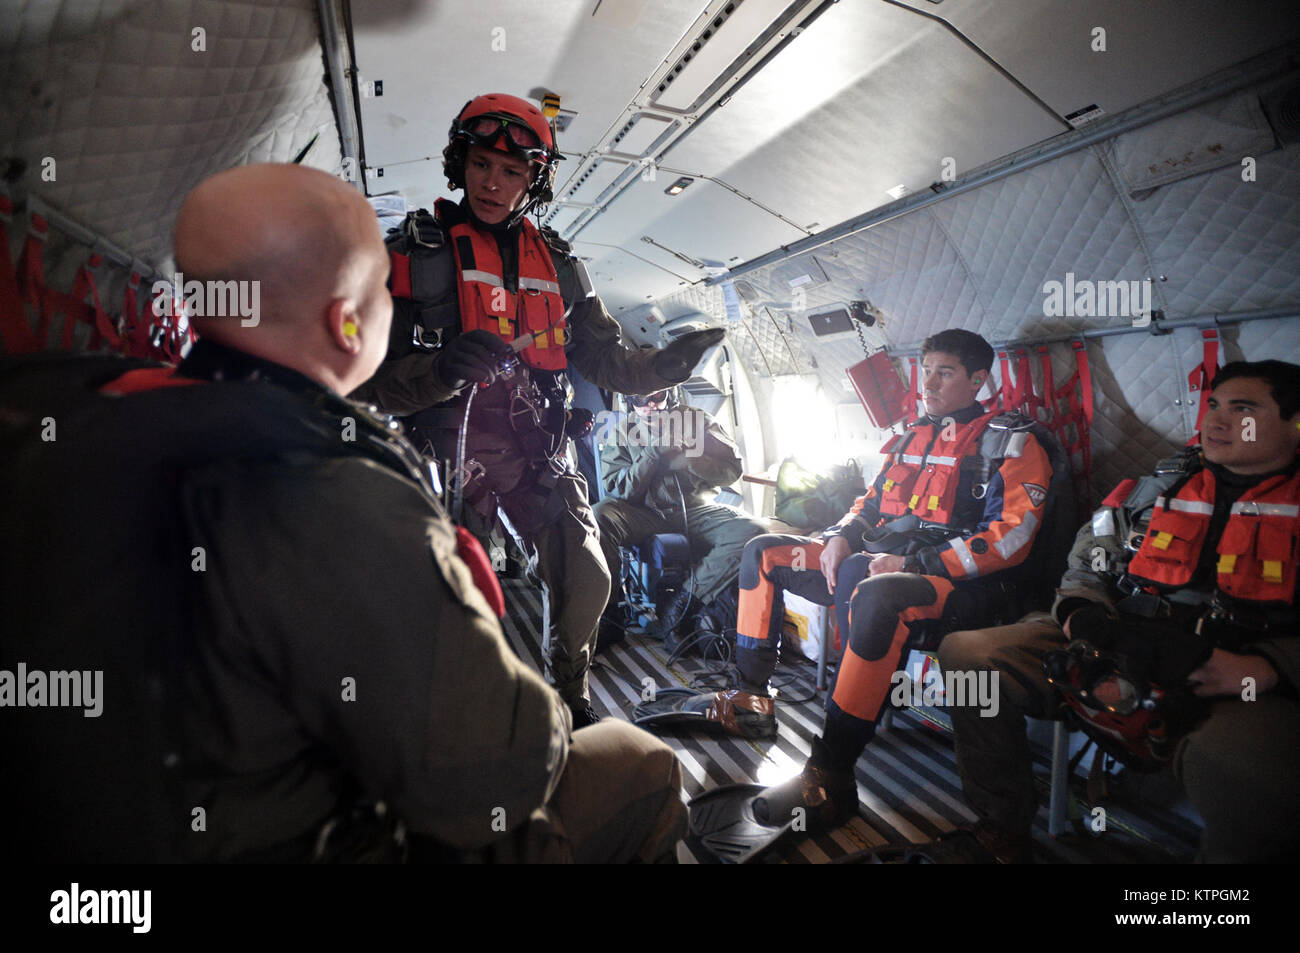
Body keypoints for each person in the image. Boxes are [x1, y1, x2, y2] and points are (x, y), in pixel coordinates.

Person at [0, 163, 686, 863]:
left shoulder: (63, 422)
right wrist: (509, 615)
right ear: (347, 321)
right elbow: (497, 781)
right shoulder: (336, 493)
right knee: (639, 761)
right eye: (384, 298)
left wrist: (660, 368)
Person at [350, 93, 723, 727]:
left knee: (589, 579)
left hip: (537, 449)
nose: (492, 183)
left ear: (535, 179)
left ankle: (568, 691)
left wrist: (662, 367)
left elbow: (608, 361)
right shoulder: (411, 257)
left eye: (512, 171)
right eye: (481, 165)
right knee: (454, 602)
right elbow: (366, 382)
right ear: (459, 164)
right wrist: (440, 370)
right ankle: (446, 719)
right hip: (446, 448)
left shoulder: (561, 267)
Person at [677, 329, 1074, 842]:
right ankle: (753, 701)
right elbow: (869, 502)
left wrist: (917, 559)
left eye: (944, 372)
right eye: (924, 369)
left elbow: (1010, 539)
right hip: (878, 556)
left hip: (962, 584)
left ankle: (831, 774)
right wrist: (842, 535)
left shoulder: (1013, 442)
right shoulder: (910, 437)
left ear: (978, 380)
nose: (927, 383)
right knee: (765, 550)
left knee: (878, 594)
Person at [940, 360, 1300, 863]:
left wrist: (1267, 668)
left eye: (1243, 411)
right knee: (969, 654)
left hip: (1230, 673)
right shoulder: (1166, 485)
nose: (1216, 422)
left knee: (1239, 763)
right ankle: (1000, 826)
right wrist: (1081, 613)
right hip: (1114, 635)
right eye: (1213, 405)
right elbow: (1089, 559)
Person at [594, 388, 767, 645]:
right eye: (641, 399)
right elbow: (620, 491)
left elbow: (732, 471)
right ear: (630, 402)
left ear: (670, 395)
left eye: (657, 397)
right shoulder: (622, 433)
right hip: (644, 512)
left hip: (698, 509)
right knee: (599, 515)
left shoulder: (699, 421)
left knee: (754, 531)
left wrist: (694, 460)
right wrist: (652, 454)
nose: (650, 405)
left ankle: (684, 602)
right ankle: (608, 613)